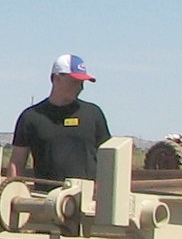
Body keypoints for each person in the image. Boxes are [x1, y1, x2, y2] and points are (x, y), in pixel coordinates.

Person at [8, 55, 112, 183]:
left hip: (88, 199)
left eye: (82, 83)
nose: (80, 88)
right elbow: (17, 162)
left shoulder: (93, 114)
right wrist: (12, 192)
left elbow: (108, 160)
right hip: (46, 199)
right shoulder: (31, 117)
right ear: (56, 78)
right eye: (75, 82)